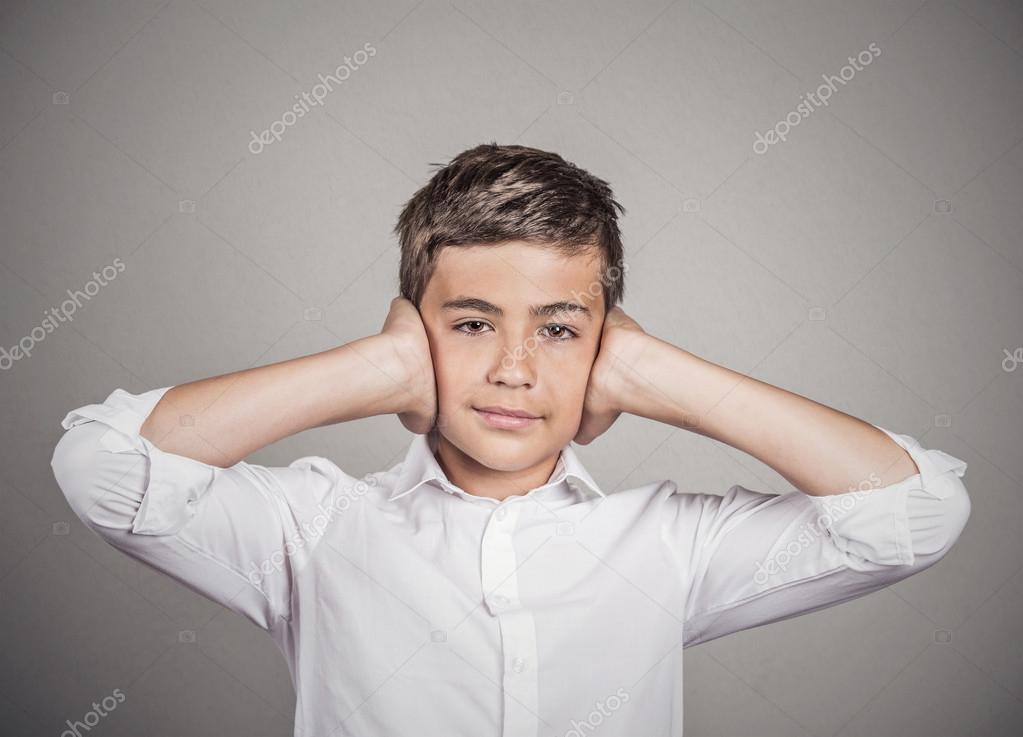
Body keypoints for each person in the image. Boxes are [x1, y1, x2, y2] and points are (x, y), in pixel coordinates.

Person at [50, 143, 971, 737]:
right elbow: (104, 466)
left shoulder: (667, 545)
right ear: (415, 329)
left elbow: (911, 514)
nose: (515, 369)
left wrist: (654, 374)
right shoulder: (314, 527)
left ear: (605, 340)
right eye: (473, 323)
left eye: (560, 329)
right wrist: (374, 372)